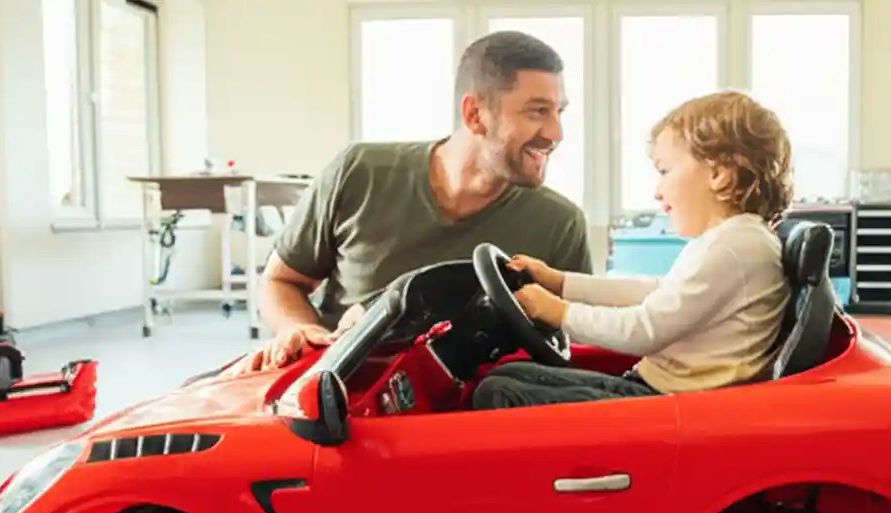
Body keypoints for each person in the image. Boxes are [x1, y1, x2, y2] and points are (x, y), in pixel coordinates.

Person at [239, 31, 592, 373]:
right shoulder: (360, 171)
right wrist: (296, 328)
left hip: (474, 408)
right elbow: (281, 281)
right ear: (475, 115)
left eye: (559, 112)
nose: (556, 134)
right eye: (537, 112)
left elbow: (575, 345)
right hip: (342, 394)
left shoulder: (560, 224)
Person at [472, 90, 793, 410]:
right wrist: (561, 282)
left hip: (673, 409)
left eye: (665, 171)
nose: (656, 191)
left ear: (719, 174)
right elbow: (657, 293)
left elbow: (644, 330)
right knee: (507, 374)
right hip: (661, 393)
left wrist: (559, 313)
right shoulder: (734, 241)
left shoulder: (734, 247)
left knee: (499, 393)